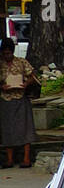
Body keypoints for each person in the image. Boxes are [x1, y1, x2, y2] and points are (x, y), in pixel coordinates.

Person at [0, 37, 37, 168]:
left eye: (9, 53)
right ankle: (9, 159)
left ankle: (26, 159)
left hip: (21, 97)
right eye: (4, 53)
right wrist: (2, 87)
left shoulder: (21, 62)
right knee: (7, 128)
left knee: (25, 127)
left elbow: (33, 76)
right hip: (6, 99)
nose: (7, 56)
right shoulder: (0, 64)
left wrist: (26, 84)